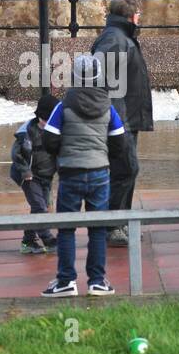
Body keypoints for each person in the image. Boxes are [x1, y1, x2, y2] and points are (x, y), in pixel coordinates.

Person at [40, 54, 128, 296]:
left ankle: (66, 281)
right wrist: (103, 156)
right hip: (100, 173)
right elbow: (120, 142)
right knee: (97, 228)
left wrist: (62, 154)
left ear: (74, 77)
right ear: (99, 77)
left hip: (70, 173)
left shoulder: (64, 104)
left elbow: (49, 138)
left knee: (66, 227)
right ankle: (97, 281)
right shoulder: (108, 106)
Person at [90, 0, 152, 247]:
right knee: (125, 169)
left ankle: (119, 221)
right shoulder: (116, 40)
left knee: (124, 170)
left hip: (125, 118)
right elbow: (104, 85)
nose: (140, 19)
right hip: (119, 121)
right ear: (131, 15)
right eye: (139, 14)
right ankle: (111, 225)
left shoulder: (119, 37)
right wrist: (118, 124)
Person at [10, 92, 59, 254]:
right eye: (44, 120)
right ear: (38, 116)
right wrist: (25, 171)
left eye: (50, 120)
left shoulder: (56, 131)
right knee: (40, 207)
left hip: (46, 176)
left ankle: (28, 240)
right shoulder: (28, 132)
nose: (46, 123)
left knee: (40, 207)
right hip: (30, 177)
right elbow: (16, 154)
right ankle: (47, 238)